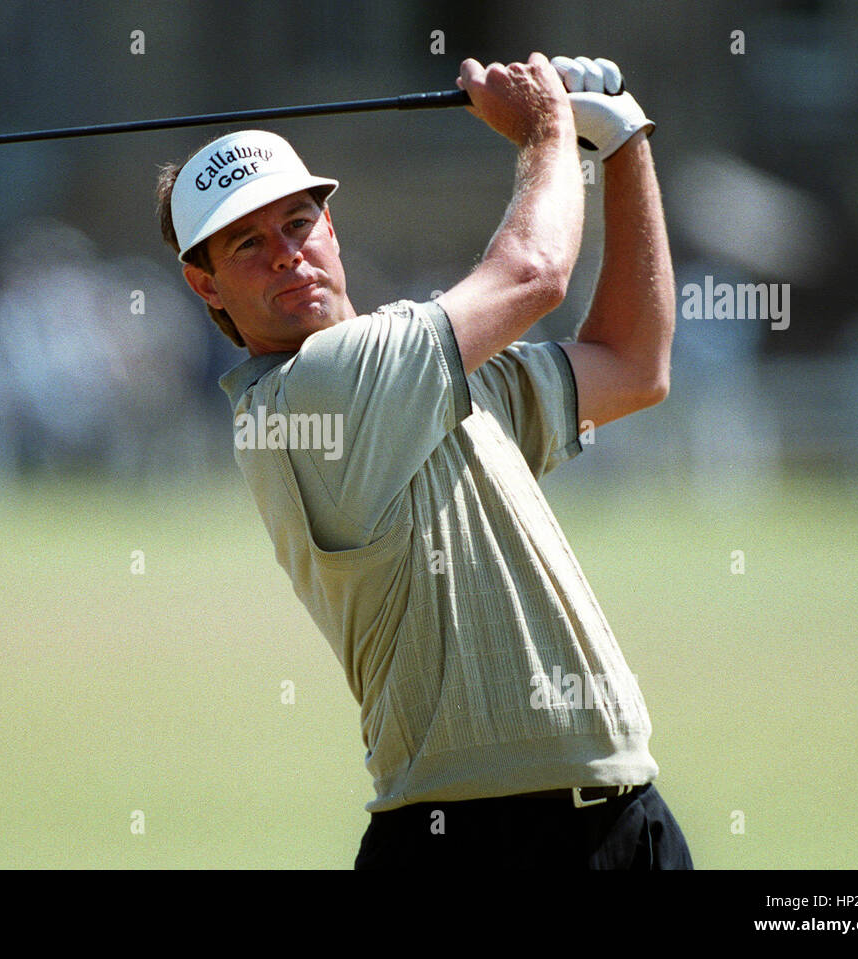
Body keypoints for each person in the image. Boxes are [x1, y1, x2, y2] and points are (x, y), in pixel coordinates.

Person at [155, 53, 691, 869]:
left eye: (298, 224)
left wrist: (621, 143)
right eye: (247, 244)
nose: (287, 254)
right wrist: (550, 129)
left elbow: (634, 362)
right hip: (469, 838)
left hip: (622, 815)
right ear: (207, 286)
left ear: (331, 227)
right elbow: (535, 273)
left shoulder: (429, 376)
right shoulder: (311, 394)